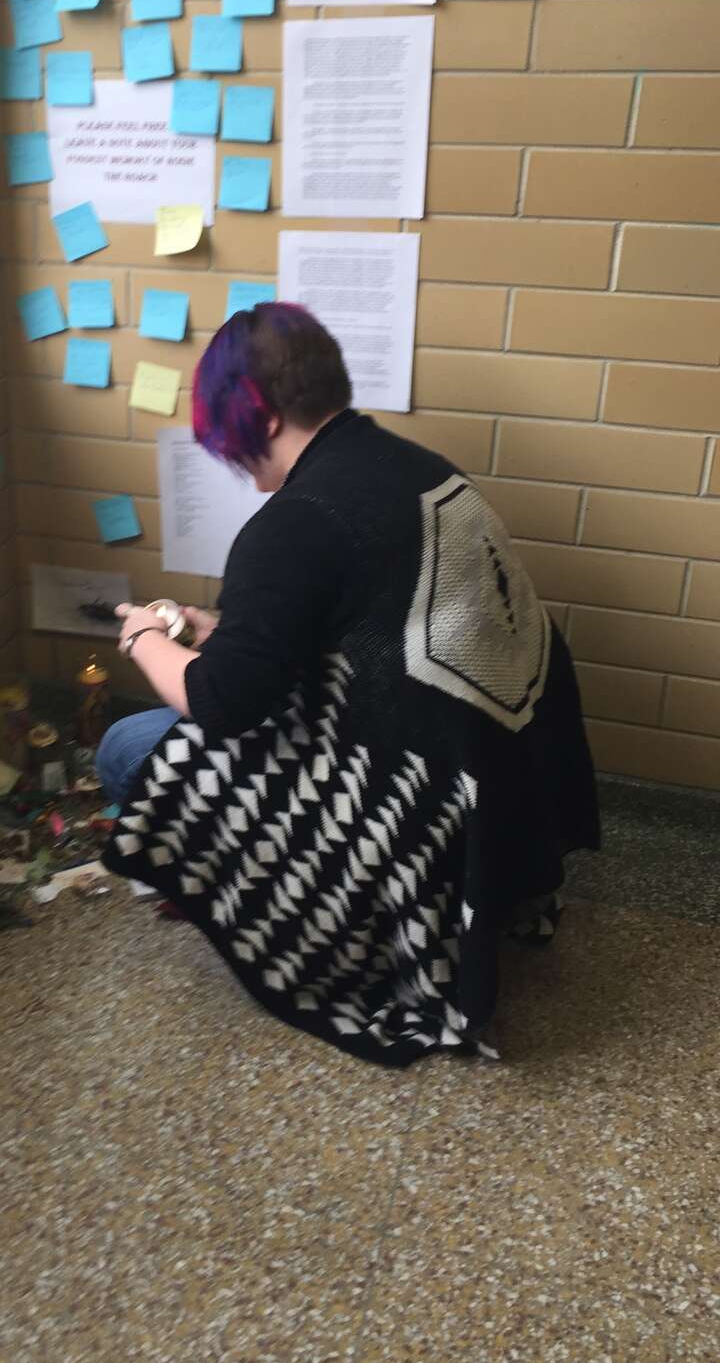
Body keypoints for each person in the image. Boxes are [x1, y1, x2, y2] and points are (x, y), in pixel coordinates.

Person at [99, 303, 599, 1066]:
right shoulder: (421, 468)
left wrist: (141, 635)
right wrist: (218, 632)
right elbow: (360, 633)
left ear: (259, 416)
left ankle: (248, 883)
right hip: (500, 786)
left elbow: (223, 704)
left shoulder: (293, 521)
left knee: (127, 747)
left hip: (413, 810)